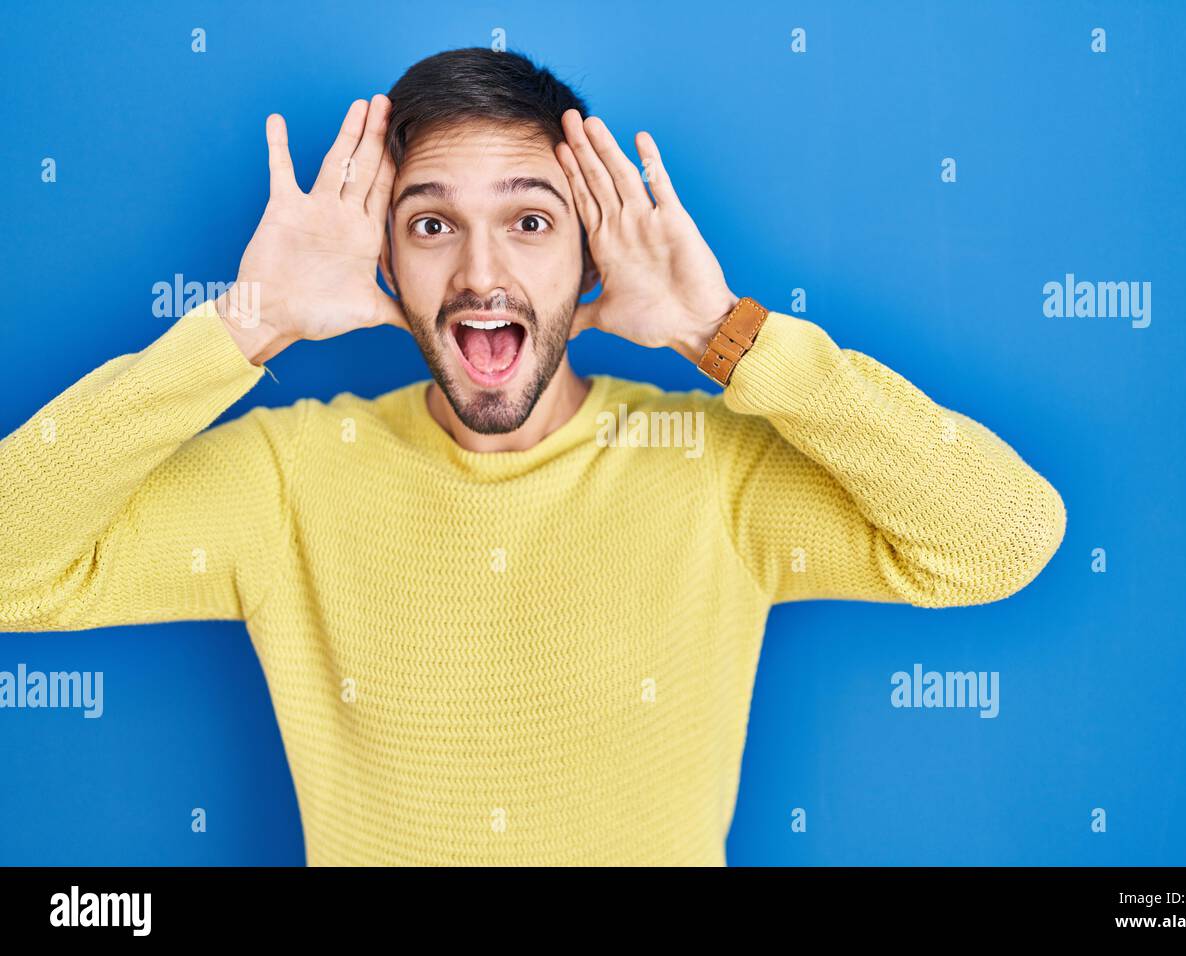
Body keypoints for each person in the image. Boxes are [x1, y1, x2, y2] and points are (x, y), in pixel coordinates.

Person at [0, 47, 1066, 865]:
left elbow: (1001, 537)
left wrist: (725, 337)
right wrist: (243, 325)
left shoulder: (712, 472)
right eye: (431, 226)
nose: (481, 271)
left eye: (529, 220)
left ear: (590, 249)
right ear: (382, 260)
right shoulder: (290, 478)